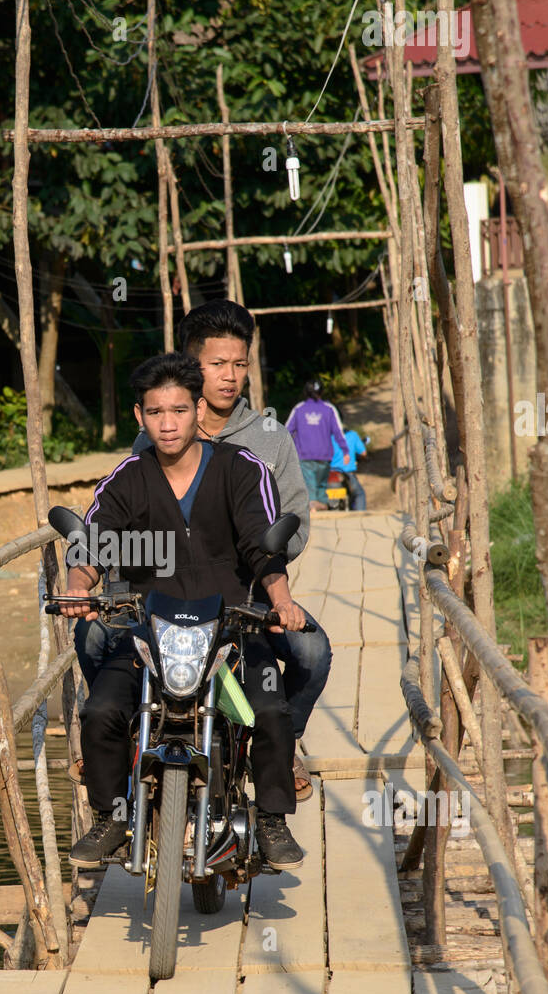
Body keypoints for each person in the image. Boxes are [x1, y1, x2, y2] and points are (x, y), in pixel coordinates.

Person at [75, 299, 332, 802]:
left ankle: (280, 747)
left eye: (240, 364)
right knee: (92, 639)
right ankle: (121, 732)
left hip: (247, 595)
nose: (231, 377)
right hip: (163, 594)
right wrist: (105, 583)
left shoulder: (269, 439)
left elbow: (293, 525)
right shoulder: (152, 439)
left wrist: (257, 556)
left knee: (312, 651)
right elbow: (125, 520)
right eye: (218, 365)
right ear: (194, 369)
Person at [61, 351, 305, 871]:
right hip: (148, 631)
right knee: (101, 710)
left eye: (177, 410)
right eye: (155, 413)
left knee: (270, 711)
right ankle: (109, 816)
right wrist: (77, 587)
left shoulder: (242, 470)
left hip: (232, 630)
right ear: (139, 417)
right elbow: (93, 540)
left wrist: (280, 599)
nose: (167, 424)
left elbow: (266, 545)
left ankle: (272, 818)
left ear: (197, 410)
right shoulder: (129, 476)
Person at [286, 379, 351, 512]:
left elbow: (286, 430)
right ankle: (322, 506)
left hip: (304, 454)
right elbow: (339, 431)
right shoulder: (329, 409)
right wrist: (345, 451)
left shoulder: (299, 409)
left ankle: (313, 507)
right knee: (322, 484)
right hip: (324, 455)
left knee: (309, 483)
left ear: (306, 392)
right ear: (322, 391)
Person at [331, 428, 368, 511]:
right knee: (359, 494)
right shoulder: (352, 434)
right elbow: (363, 453)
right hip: (347, 473)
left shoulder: (327, 434)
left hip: (331, 473)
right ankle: (361, 516)